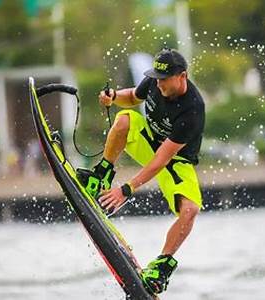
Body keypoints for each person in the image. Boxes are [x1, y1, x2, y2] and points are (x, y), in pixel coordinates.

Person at [76, 48, 205, 294]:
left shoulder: (193, 109)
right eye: (156, 78)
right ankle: (102, 174)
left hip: (176, 161)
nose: (159, 83)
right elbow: (134, 97)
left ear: (182, 76)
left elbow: (161, 160)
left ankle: (162, 266)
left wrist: (126, 189)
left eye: (164, 80)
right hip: (149, 141)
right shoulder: (156, 80)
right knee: (124, 119)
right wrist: (113, 97)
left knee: (190, 211)